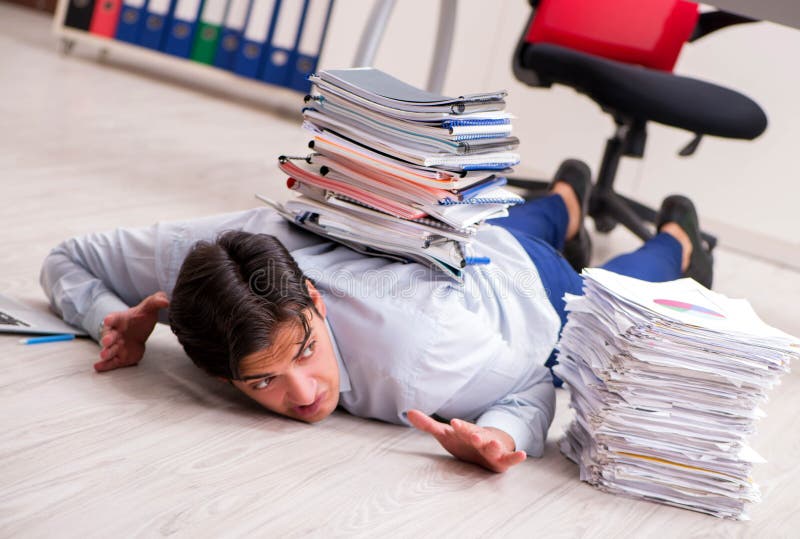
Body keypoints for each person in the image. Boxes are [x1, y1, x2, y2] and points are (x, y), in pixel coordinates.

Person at [39, 159, 712, 473]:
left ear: (317, 304)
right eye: (261, 381)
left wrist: (502, 435)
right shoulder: (202, 259)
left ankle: (679, 237)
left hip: (527, 290)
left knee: (615, 290)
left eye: (302, 351)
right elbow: (66, 258)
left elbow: (534, 383)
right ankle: (566, 194)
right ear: (221, 377)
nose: (303, 396)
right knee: (519, 221)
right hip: (461, 250)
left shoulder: (421, 356)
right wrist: (114, 315)